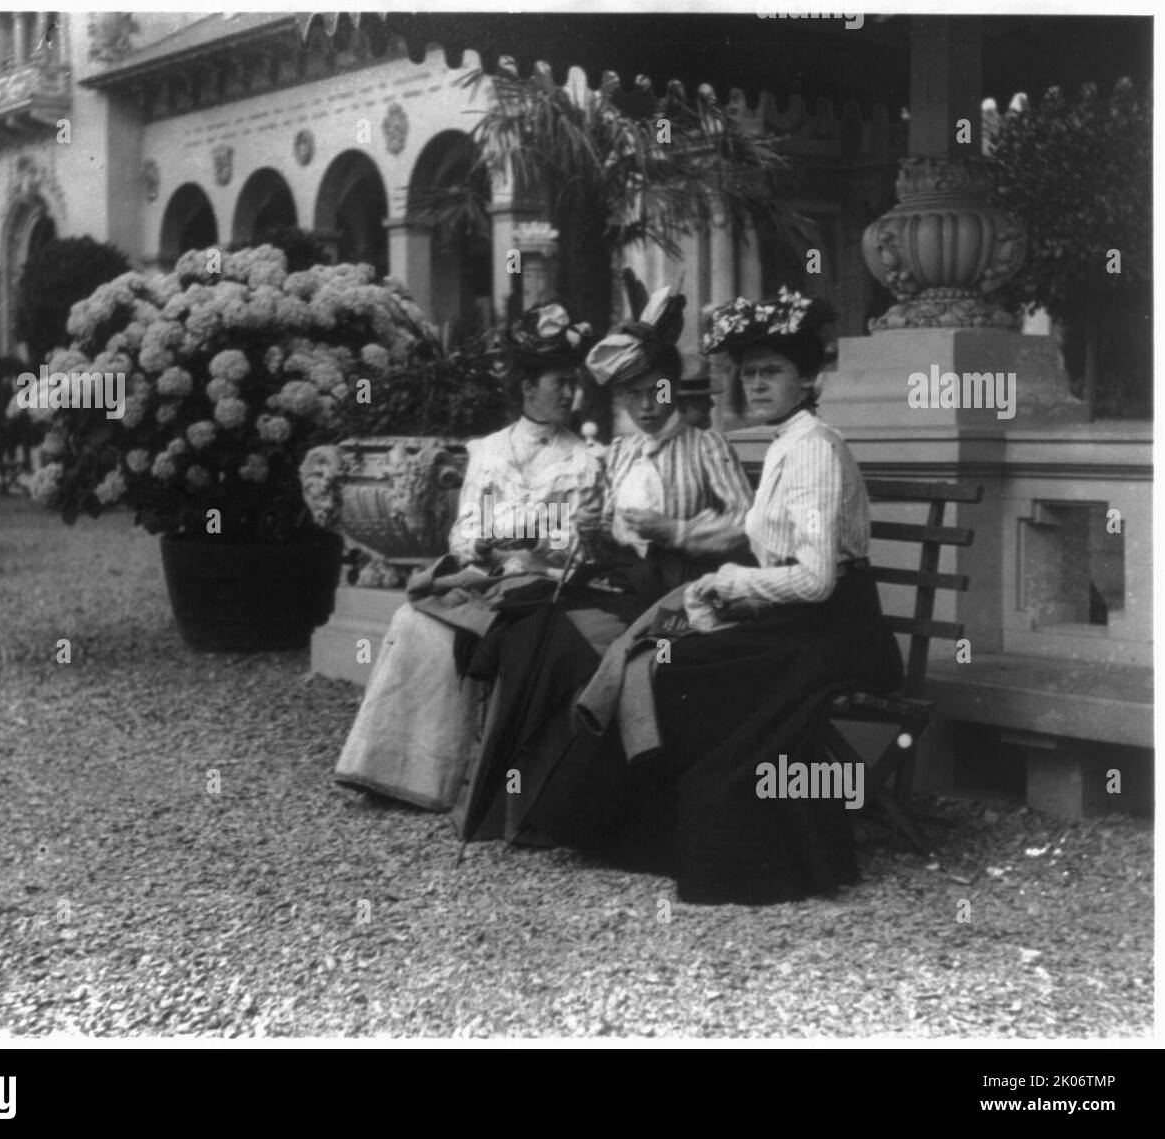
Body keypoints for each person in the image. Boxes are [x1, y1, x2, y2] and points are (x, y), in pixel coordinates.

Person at [571, 287, 904, 905]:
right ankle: (659, 835)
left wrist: (728, 585)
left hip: (834, 634)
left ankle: (717, 840)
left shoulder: (814, 451)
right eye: (749, 373)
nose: (756, 385)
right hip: (797, 622)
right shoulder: (787, 442)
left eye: (773, 372)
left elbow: (815, 579)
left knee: (674, 668)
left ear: (808, 379)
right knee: (663, 658)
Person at [451, 283, 755, 842]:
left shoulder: (705, 447)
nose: (644, 405)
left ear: (671, 385)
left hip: (686, 596)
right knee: (533, 636)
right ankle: (519, 806)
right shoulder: (621, 453)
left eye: (653, 390)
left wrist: (677, 531)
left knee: (571, 647)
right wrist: (588, 532)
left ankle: (591, 810)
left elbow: (747, 530)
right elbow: (599, 538)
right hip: (624, 587)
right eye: (631, 394)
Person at [333, 303, 601, 811]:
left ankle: (459, 778)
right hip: (487, 577)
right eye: (558, 382)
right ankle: (395, 770)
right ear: (527, 388)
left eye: (572, 382)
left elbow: (579, 544)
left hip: (545, 583)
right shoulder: (488, 451)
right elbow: (464, 535)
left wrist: (533, 537)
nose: (569, 393)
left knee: (477, 629)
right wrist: (485, 542)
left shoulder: (587, 458)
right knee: (415, 620)